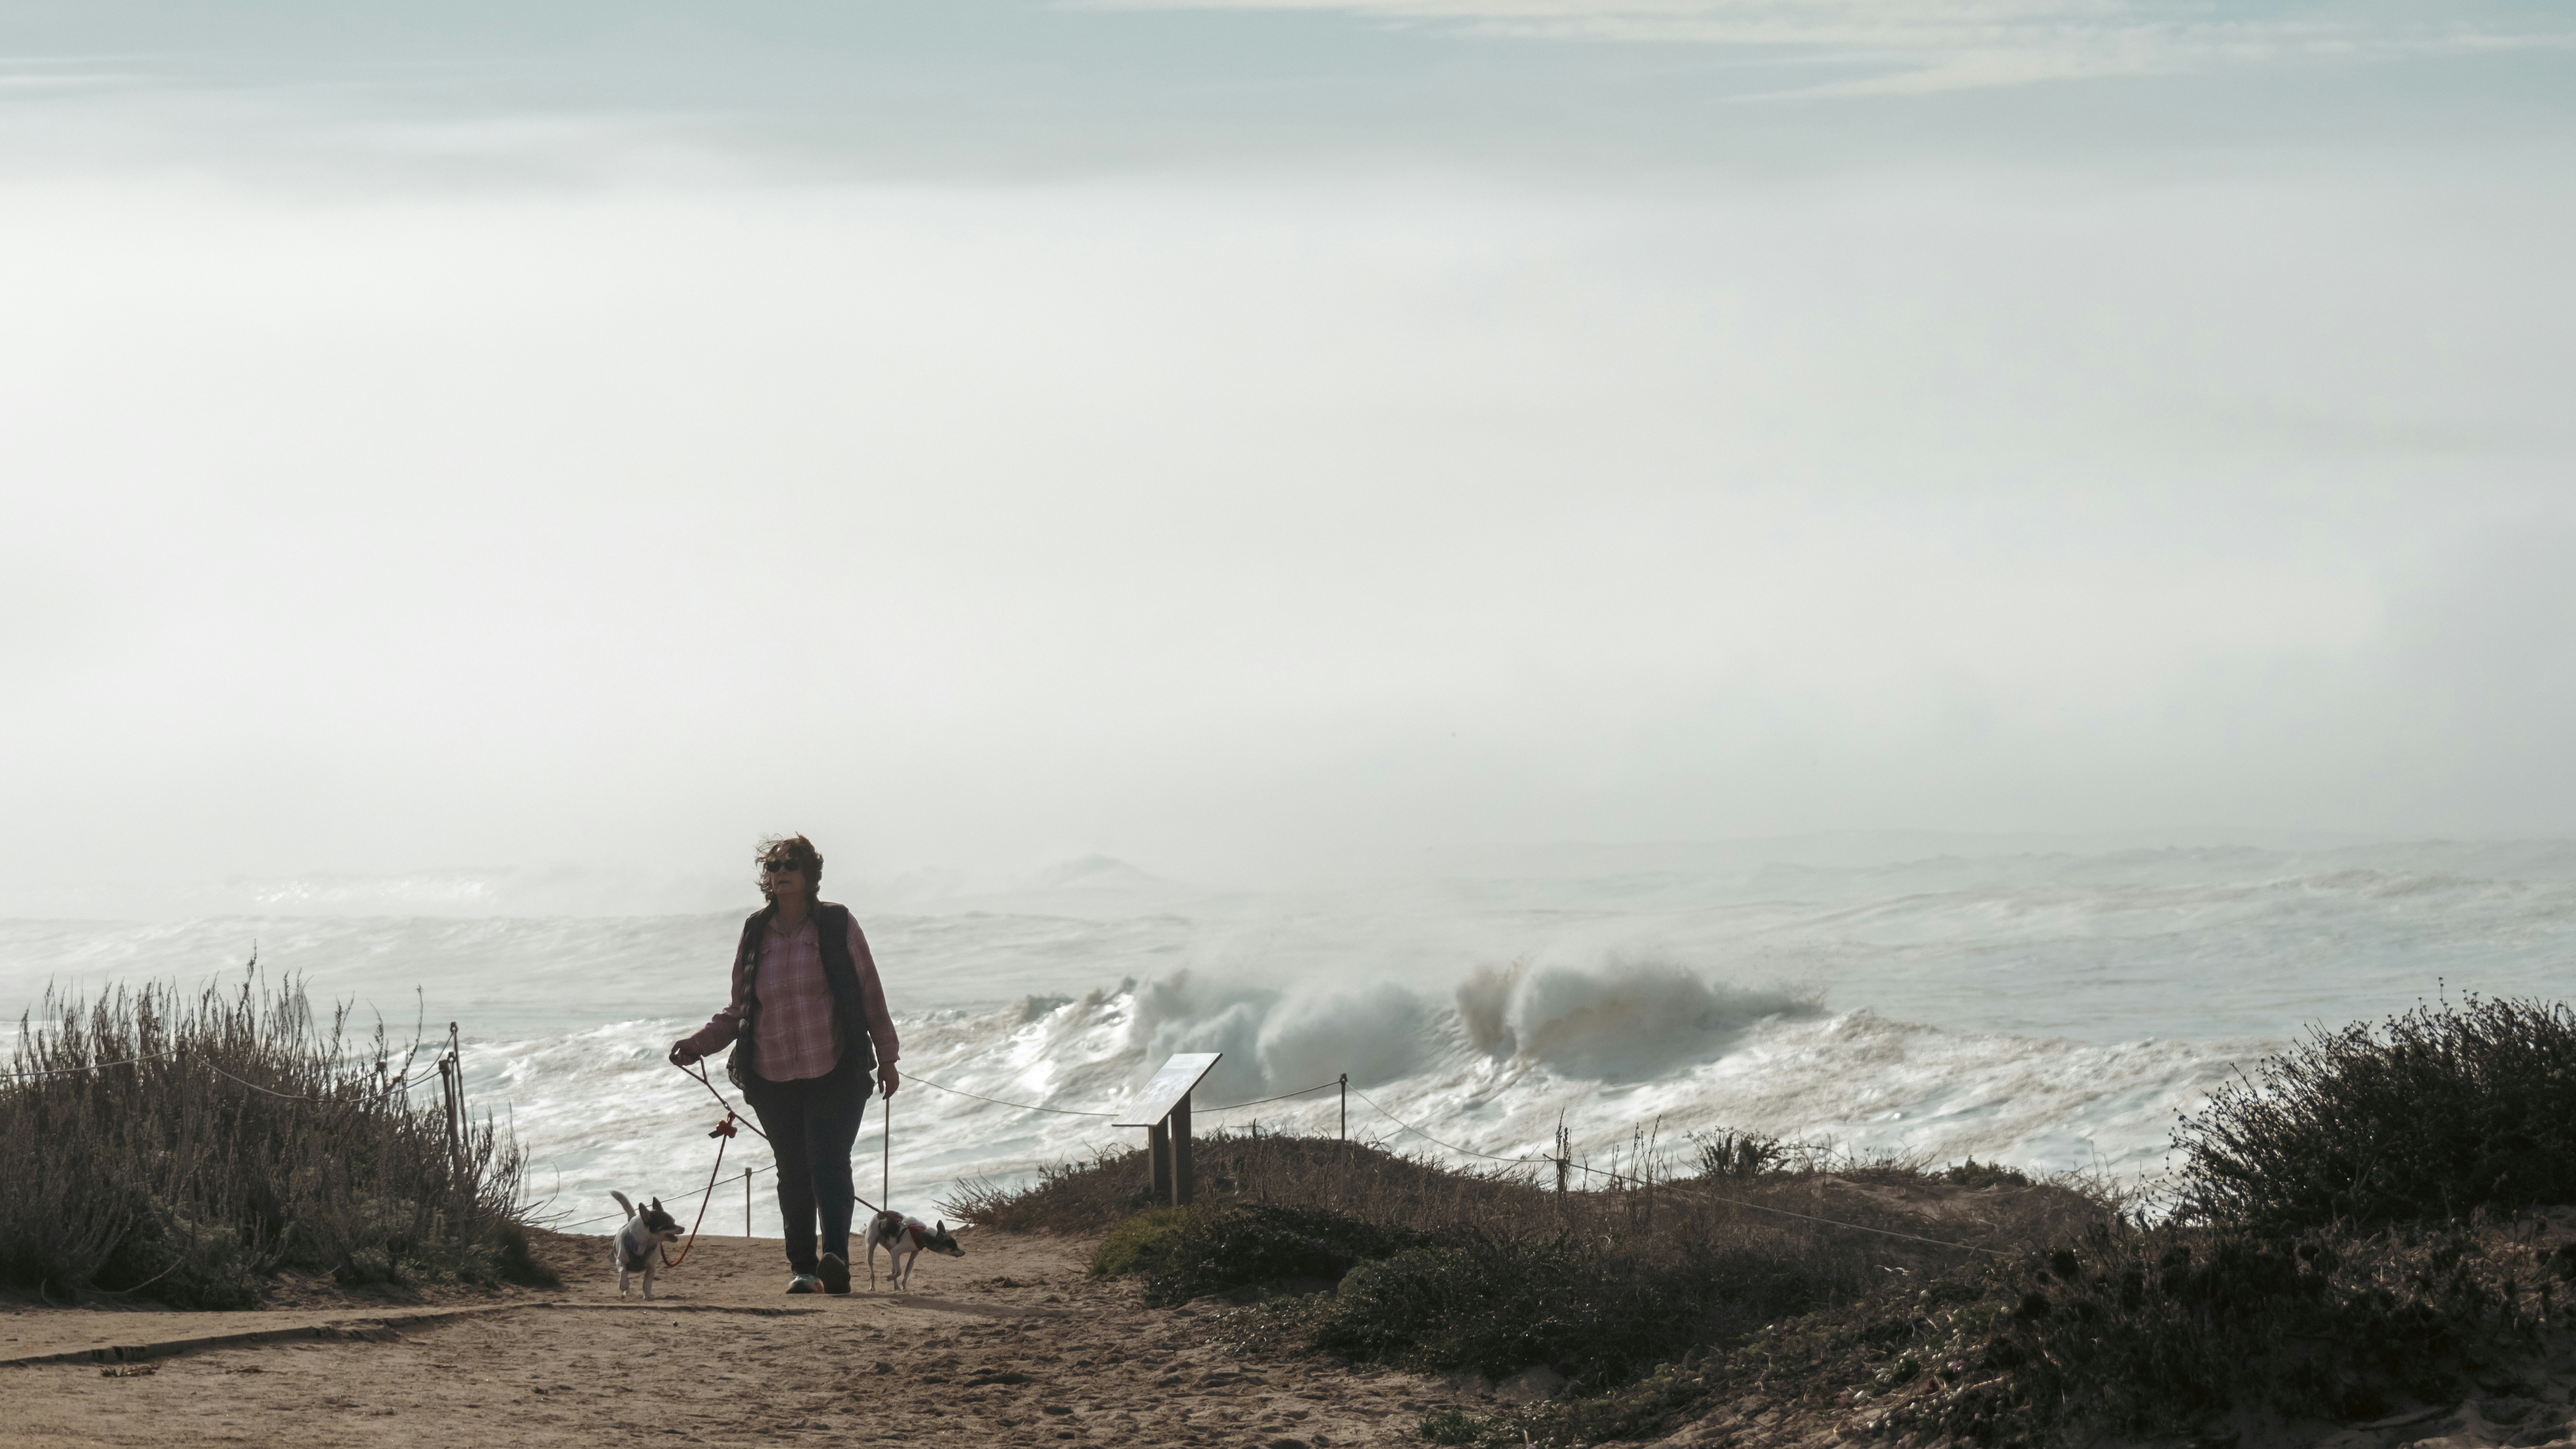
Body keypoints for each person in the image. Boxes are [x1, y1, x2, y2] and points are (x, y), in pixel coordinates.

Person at [670, 835, 900, 1295]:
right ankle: (803, 1269)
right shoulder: (756, 931)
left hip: (836, 1067)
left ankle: (835, 1258)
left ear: (810, 875)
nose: (781, 872)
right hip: (772, 1075)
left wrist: (888, 1058)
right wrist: (698, 1045)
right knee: (793, 1172)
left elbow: (870, 994)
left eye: (791, 864)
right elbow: (739, 1009)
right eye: (774, 866)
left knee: (830, 1164)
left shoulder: (837, 924)